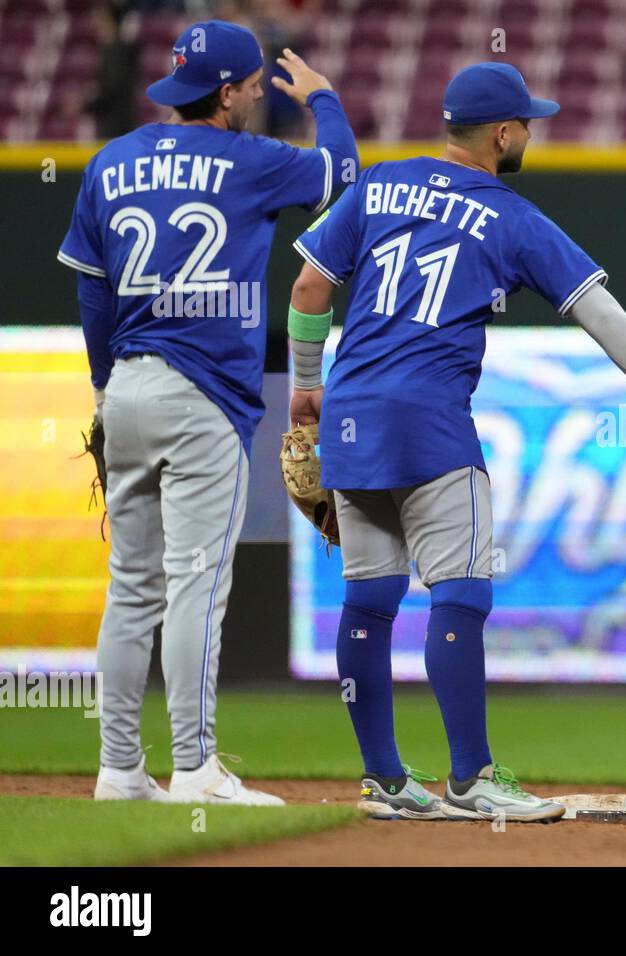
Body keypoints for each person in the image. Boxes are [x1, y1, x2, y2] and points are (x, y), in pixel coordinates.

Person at [286, 62, 626, 822]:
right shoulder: (508, 213)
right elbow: (597, 311)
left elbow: (309, 286)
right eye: (526, 123)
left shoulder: (377, 184)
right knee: (461, 593)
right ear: (503, 133)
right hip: (431, 417)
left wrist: (306, 385)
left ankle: (383, 781)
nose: (530, 132)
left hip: (348, 410)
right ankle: (471, 777)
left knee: (368, 601)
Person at [58, 19, 358, 805]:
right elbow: (344, 172)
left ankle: (119, 770)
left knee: (132, 587)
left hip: (126, 387)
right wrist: (324, 101)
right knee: (196, 583)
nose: (258, 98)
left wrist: (101, 388)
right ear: (224, 94)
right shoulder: (249, 160)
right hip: (204, 398)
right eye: (253, 88)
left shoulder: (109, 160)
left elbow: (92, 291)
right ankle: (194, 770)